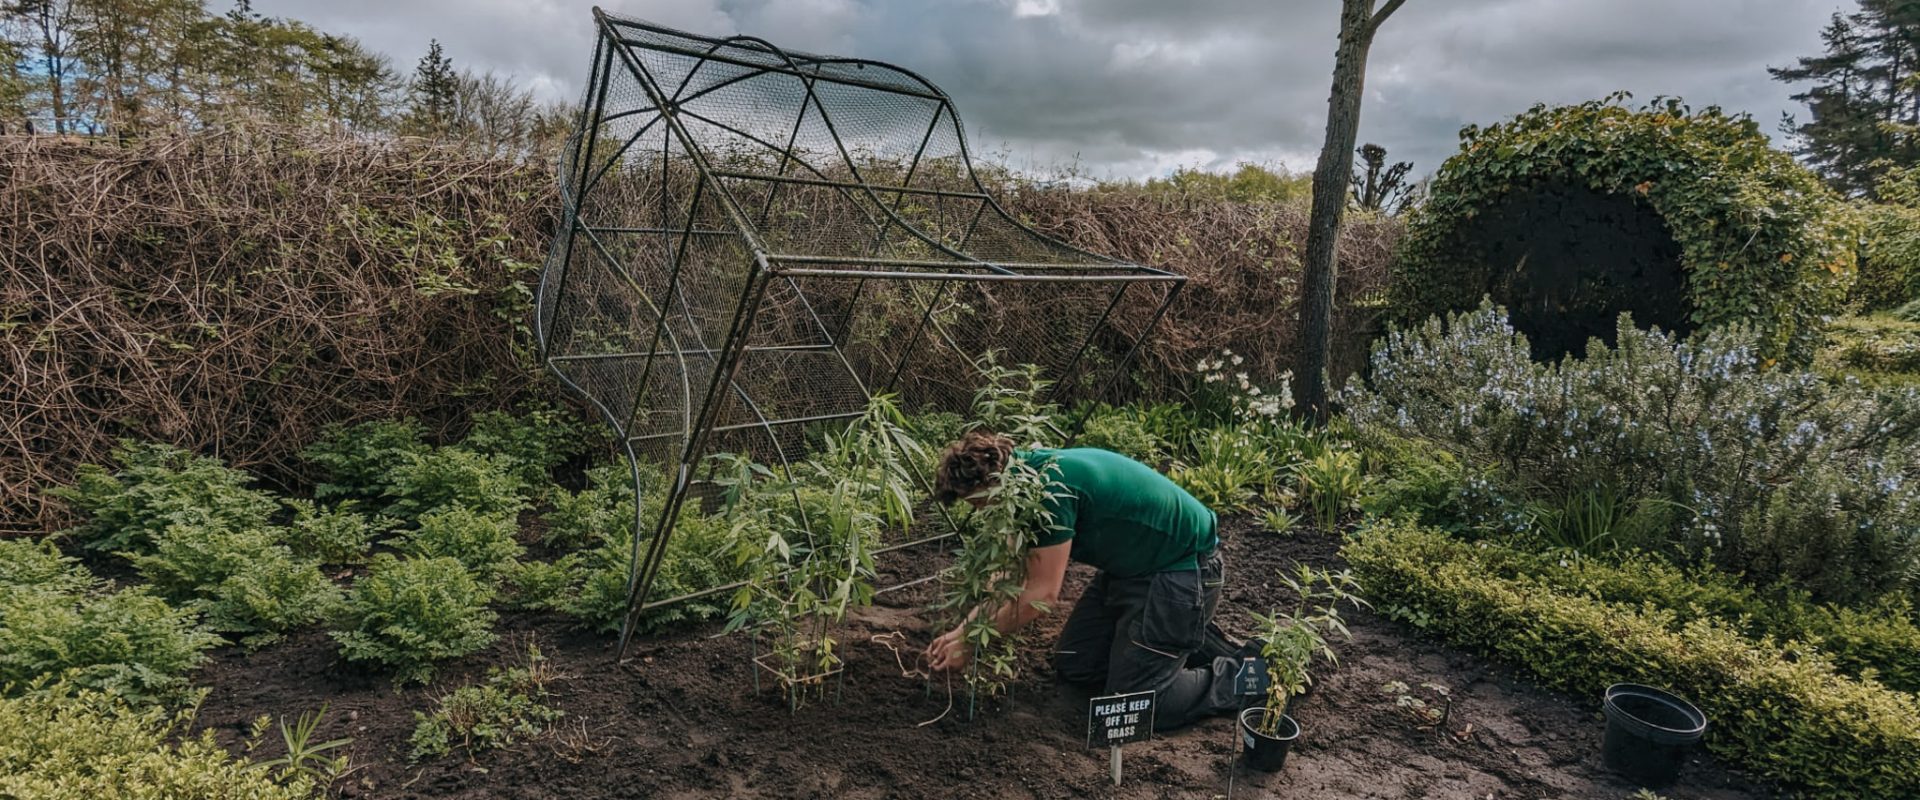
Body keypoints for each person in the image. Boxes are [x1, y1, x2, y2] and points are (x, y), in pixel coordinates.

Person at [923, 431, 1245, 731]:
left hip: (1184, 571)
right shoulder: (1024, 477)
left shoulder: (1046, 493)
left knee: (1132, 708)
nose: (980, 512)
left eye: (978, 503)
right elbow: (1010, 573)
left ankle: (1249, 675)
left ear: (993, 482)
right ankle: (1178, 635)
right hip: (1133, 570)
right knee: (1076, 664)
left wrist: (971, 644)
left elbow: (1041, 594)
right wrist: (963, 630)